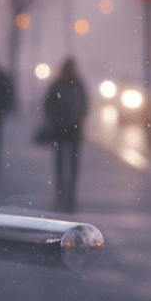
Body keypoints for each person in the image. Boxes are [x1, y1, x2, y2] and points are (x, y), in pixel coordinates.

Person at [43, 58, 88, 213]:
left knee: (73, 162)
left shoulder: (76, 85)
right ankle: (61, 188)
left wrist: (79, 117)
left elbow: (84, 104)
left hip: (73, 130)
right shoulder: (58, 85)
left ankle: (70, 189)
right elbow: (48, 104)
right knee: (61, 160)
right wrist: (55, 119)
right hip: (61, 130)